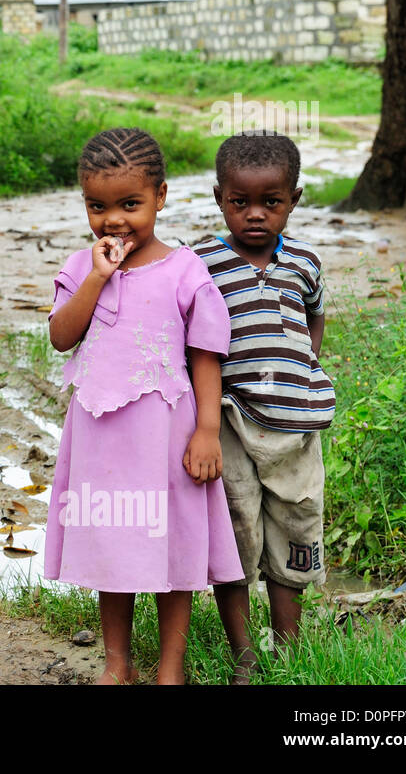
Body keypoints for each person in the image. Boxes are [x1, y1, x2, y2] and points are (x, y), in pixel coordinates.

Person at [46, 127, 243, 685]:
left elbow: (206, 357)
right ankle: (117, 663)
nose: (114, 220)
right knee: (114, 546)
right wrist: (98, 275)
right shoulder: (81, 266)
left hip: (165, 436)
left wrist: (207, 430)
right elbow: (62, 336)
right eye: (98, 206)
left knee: (172, 549)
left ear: (160, 195)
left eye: (130, 204)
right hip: (101, 436)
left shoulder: (185, 270)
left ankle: (171, 667)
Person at [194, 130, 335, 683]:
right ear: (218, 197)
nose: (255, 214)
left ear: (294, 200)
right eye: (239, 202)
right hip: (228, 416)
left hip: (296, 426)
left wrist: (309, 363)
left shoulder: (304, 261)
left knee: (296, 522)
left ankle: (290, 647)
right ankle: (242, 651)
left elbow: (315, 314)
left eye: (271, 202)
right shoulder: (201, 261)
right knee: (235, 526)